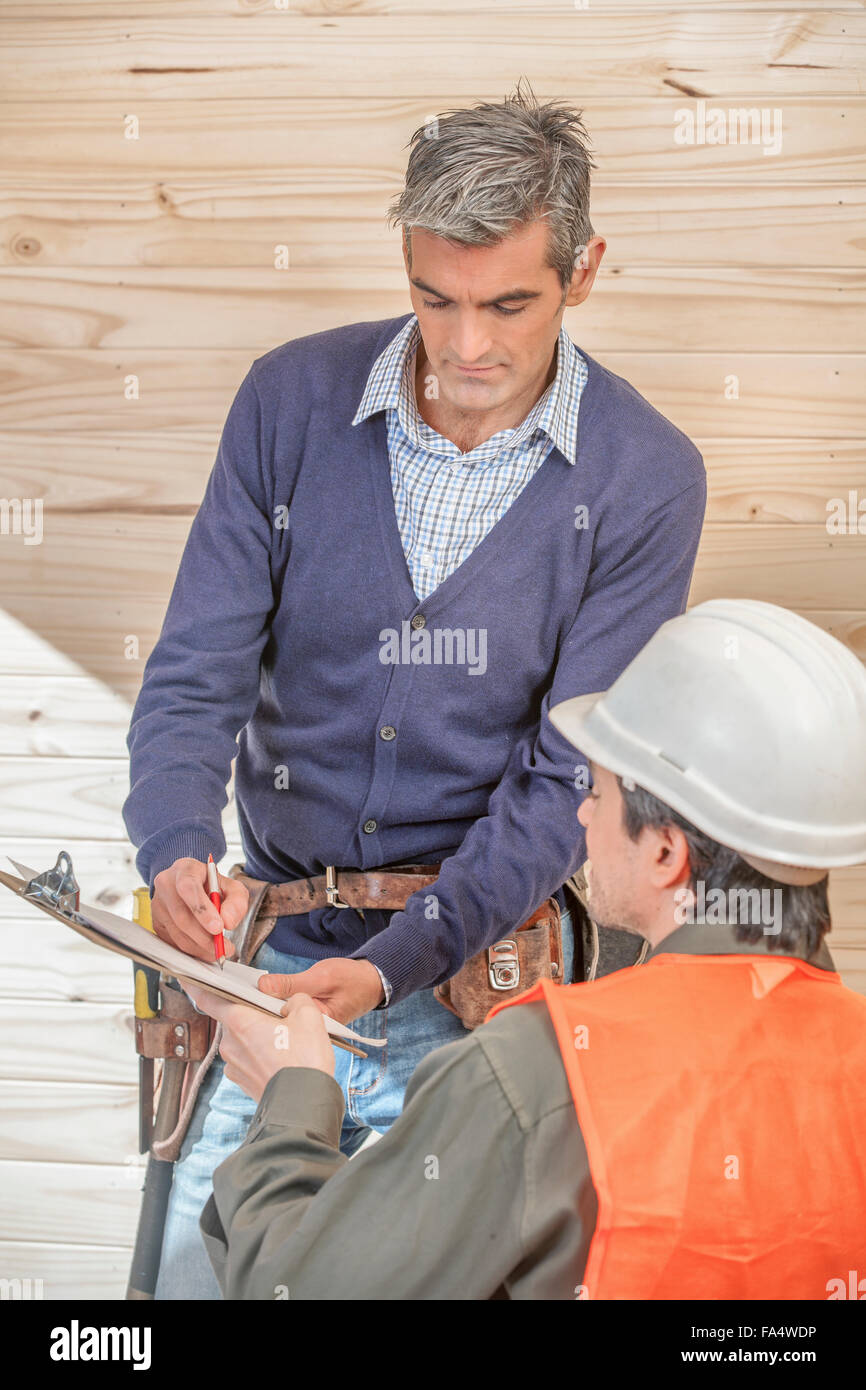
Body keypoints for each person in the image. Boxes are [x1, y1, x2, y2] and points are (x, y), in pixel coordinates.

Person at [122, 81, 706, 1298]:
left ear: (584, 270)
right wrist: (176, 845)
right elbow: (195, 670)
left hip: (481, 1000)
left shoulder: (646, 478)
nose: (465, 347)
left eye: (509, 303)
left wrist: (394, 964)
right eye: (432, 298)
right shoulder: (289, 401)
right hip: (261, 979)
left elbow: (564, 781)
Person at [188, 599, 866, 1300]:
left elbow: (302, 1290)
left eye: (597, 793)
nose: (581, 815)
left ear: (667, 852)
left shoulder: (543, 1066)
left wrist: (290, 1101)